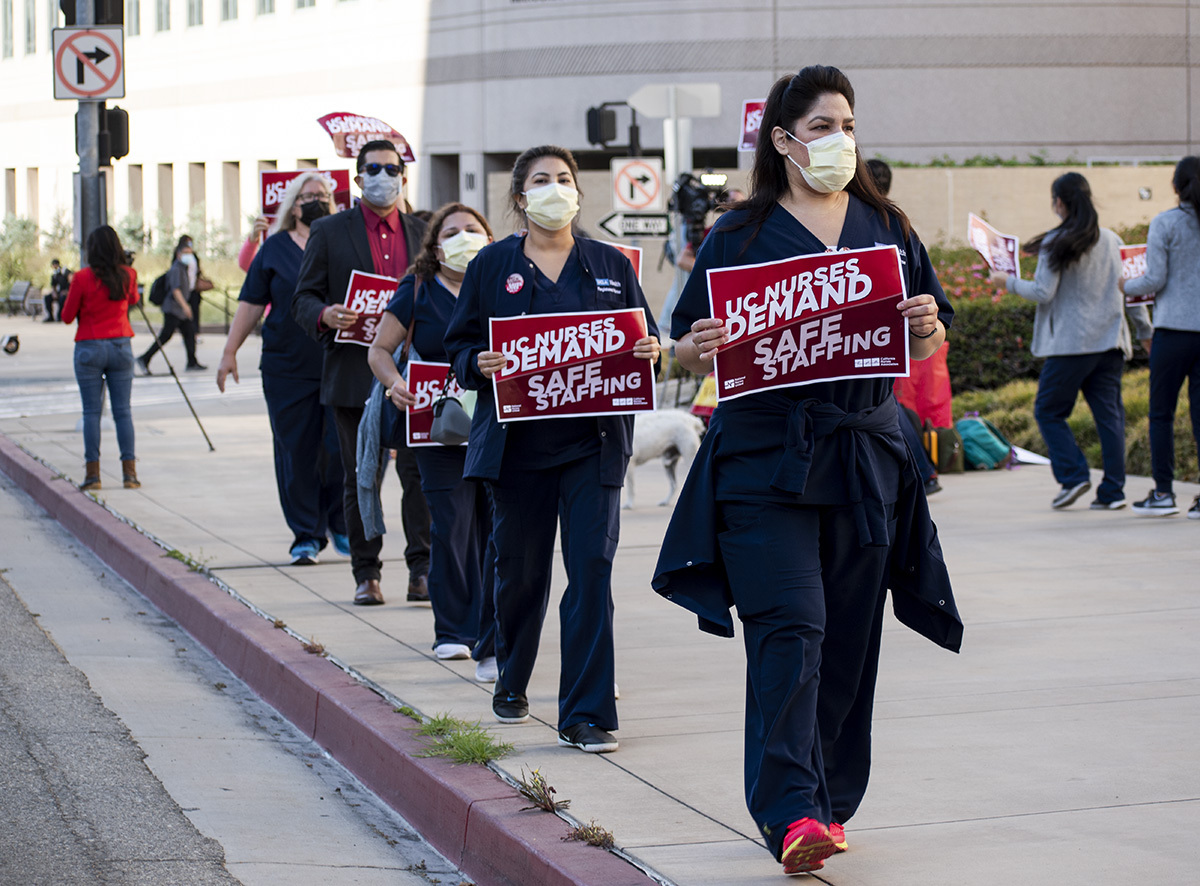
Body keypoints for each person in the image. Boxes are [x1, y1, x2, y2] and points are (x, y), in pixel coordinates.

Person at [651, 66, 962, 875]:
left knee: (850, 644)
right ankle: (790, 812)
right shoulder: (738, 236)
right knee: (793, 629)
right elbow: (683, 345)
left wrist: (925, 326)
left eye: (848, 123)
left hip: (862, 464)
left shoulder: (886, 225)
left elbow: (926, 342)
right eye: (822, 126)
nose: (840, 139)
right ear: (783, 141)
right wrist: (698, 346)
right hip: (763, 466)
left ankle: (826, 800)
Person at [444, 145, 661, 754]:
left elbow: (642, 336)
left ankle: (586, 714)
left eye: (563, 179)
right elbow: (458, 347)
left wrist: (651, 351)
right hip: (517, 450)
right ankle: (512, 676)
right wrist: (476, 364)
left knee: (591, 571)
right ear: (520, 198)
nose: (554, 188)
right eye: (541, 180)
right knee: (520, 573)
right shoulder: (492, 266)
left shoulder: (611, 264)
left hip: (592, 448)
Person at [291, 139, 431, 607]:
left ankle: (422, 569)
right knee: (360, 475)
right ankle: (366, 573)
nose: (383, 176)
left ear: (403, 177)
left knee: (419, 474)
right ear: (357, 177)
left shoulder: (424, 230)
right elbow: (302, 299)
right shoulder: (330, 231)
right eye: (373, 168)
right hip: (353, 374)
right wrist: (325, 314)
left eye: (391, 168)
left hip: (415, 375)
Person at [367, 202, 498, 676]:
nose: (463, 237)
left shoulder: (505, 282)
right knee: (451, 524)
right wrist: (392, 383)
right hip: (436, 425)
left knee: (494, 529)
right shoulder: (418, 288)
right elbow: (379, 350)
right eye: (452, 232)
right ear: (435, 244)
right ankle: (452, 631)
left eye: (472, 229)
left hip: (497, 423)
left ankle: (491, 630)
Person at [992, 172, 1152, 510]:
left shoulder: (1056, 242)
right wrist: (1144, 333)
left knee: (1048, 411)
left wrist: (1006, 282)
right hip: (1110, 343)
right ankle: (1112, 493)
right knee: (1110, 418)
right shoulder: (1113, 239)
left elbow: (1042, 292)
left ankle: (1074, 475)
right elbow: (1132, 293)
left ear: (1059, 203)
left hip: (1071, 346)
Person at [217, 173, 349, 565]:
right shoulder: (274, 249)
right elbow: (251, 303)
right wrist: (229, 352)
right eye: (308, 196)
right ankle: (306, 534)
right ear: (293, 205)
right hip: (286, 368)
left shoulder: (340, 243)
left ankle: (340, 523)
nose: (316, 201)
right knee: (297, 450)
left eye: (323, 195)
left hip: (338, 363)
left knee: (339, 449)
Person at [1122, 155, 1200, 518]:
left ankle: (1164, 493)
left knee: (1161, 415)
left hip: (1173, 332)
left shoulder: (1166, 223)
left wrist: (1126, 285)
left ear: (1175, 186)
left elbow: (1153, 281)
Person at [867, 158, 943, 494]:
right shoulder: (894, 223)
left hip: (877, 356)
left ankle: (924, 473)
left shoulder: (894, 227)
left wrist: (926, 327)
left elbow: (934, 330)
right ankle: (923, 473)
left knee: (887, 405)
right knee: (890, 405)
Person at [61, 226, 141, 491]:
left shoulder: (82, 278)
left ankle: (93, 475)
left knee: (91, 412)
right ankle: (129, 474)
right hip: (121, 345)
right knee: (123, 412)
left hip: (89, 346)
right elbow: (133, 299)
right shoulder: (128, 274)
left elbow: (67, 316)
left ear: (91, 250)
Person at [137, 237, 205, 373]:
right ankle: (145, 358)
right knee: (166, 335)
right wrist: (186, 306)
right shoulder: (176, 269)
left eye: (190, 253)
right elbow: (175, 290)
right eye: (186, 252)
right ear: (178, 254)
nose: (189, 256)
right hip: (173, 309)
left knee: (189, 333)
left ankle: (192, 361)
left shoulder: (184, 268)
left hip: (180, 309)